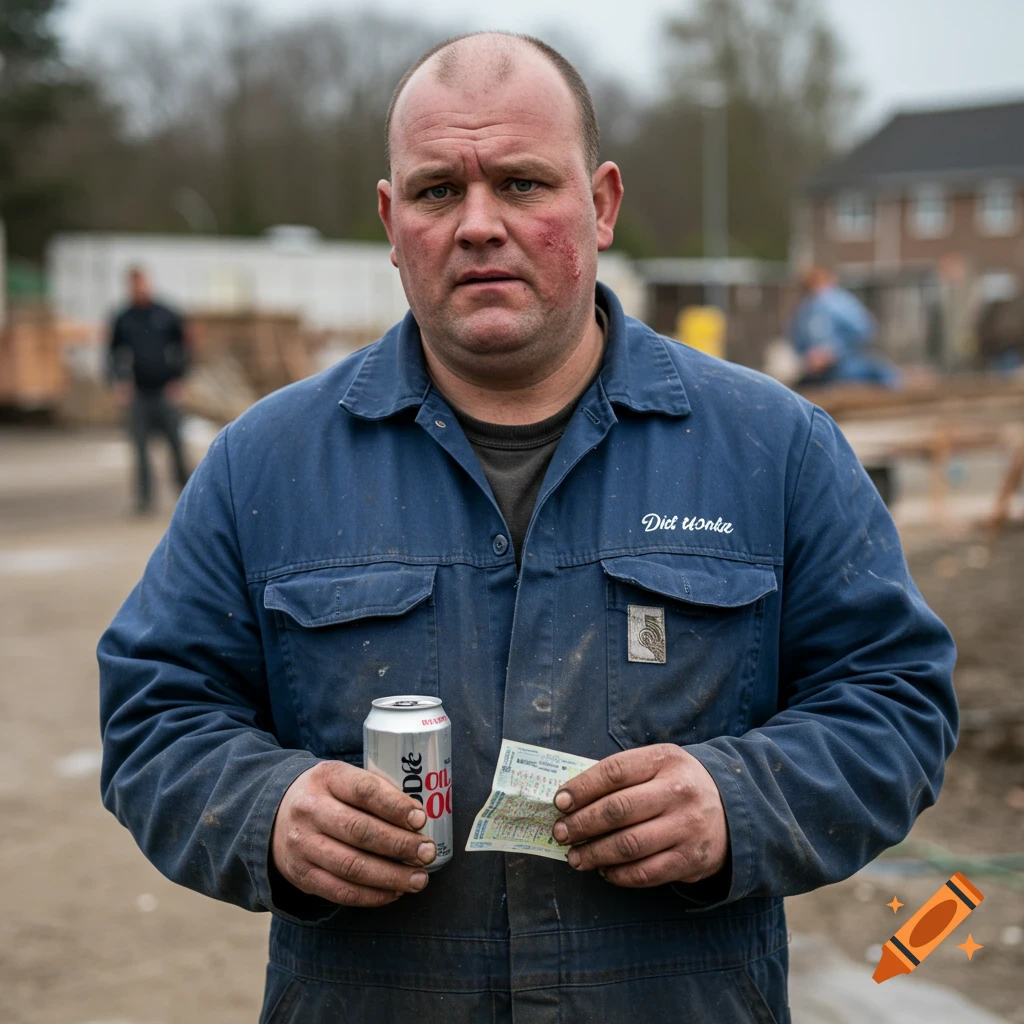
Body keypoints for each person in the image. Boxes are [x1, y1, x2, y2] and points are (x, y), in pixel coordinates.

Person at [98, 32, 956, 1023]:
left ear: (600, 204)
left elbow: (896, 703)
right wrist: (266, 814)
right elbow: (154, 718)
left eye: (519, 183)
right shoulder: (265, 465)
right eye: (435, 191)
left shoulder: (774, 449)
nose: (476, 225)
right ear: (389, 218)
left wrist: (738, 801)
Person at [108, 266, 191, 513]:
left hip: (165, 389)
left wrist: (179, 379)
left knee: (176, 444)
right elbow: (113, 353)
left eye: (142, 283)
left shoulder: (165, 313)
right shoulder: (123, 318)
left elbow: (185, 347)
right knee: (140, 448)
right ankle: (145, 499)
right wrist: (119, 381)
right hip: (139, 392)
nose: (139, 288)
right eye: (134, 284)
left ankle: (187, 495)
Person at [790, 266, 901, 388]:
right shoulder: (807, 310)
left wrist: (832, 353)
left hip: (846, 366)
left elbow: (864, 330)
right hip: (824, 374)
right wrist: (811, 359)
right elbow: (797, 342)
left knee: (886, 375)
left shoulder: (838, 303)